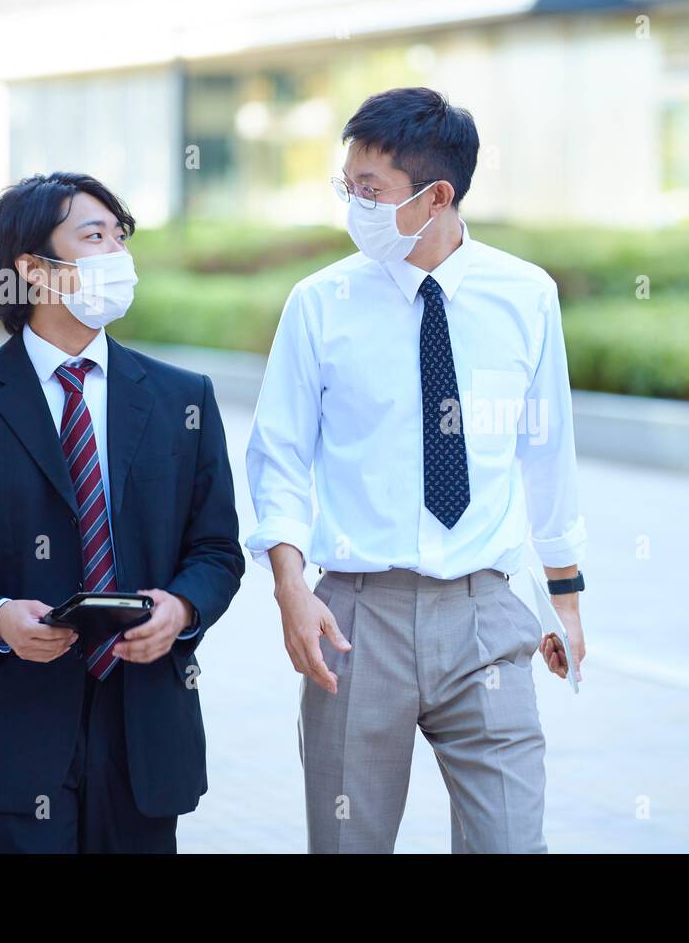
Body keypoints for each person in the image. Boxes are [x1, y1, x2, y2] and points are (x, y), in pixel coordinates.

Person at [246, 87, 588, 853]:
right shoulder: (320, 303)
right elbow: (279, 457)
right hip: (358, 620)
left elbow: (547, 452)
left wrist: (564, 597)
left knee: (510, 843)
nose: (354, 206)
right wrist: (290, 587)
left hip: (486, 619)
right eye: (348, 187)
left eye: (371, 192)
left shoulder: (526, 296)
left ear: (438, 196)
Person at [0, 172, 245, 853]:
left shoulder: (181, 399)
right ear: (31, 270)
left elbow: (218, 550)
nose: (118, 253)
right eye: (93, 236)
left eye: (120, 236)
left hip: (145, 725)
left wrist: (182, 609)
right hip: (14, 731)